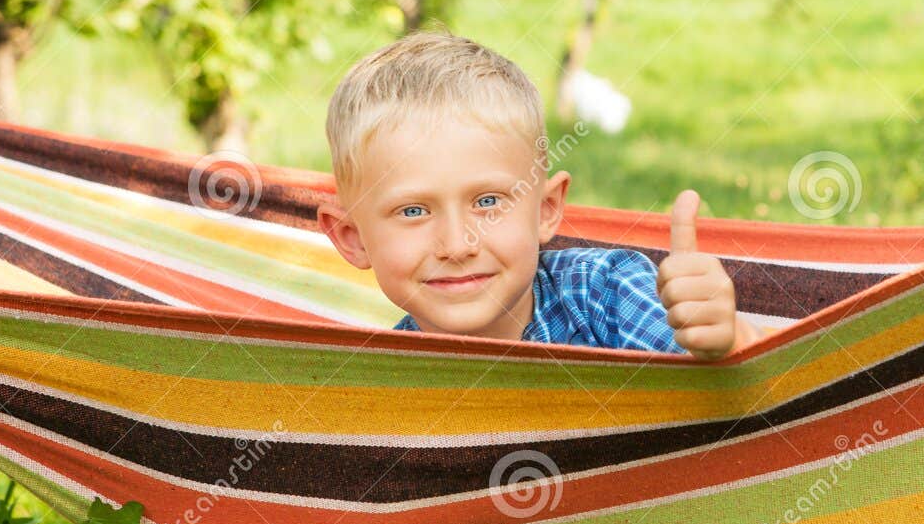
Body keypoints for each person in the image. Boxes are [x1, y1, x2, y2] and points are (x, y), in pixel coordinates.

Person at [316, 31, 766, 360]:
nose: (457, 245)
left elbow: (757, 404)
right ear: (352, 238)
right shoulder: (381, 387)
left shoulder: (603, 296)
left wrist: (729, 343)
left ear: (546, 210)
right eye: (413, 210)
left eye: (488, 202)